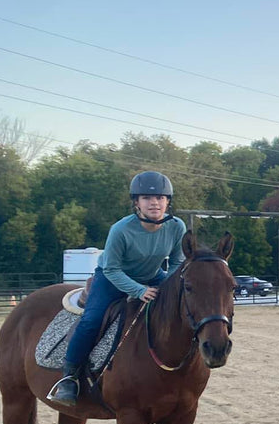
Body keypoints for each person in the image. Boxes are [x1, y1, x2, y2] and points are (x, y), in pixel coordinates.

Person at [48, 171, 187, 405]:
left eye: (161, 198)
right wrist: (139, 291)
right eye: (147, 198)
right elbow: (112, 269)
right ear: (136, 202)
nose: (155, 202)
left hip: (152, 276)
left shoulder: (176, 227)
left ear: (168, 201)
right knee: (92, 319)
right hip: (111, 278)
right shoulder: (121, 229)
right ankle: (69, 378)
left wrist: (167, 285)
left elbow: (176, 262)